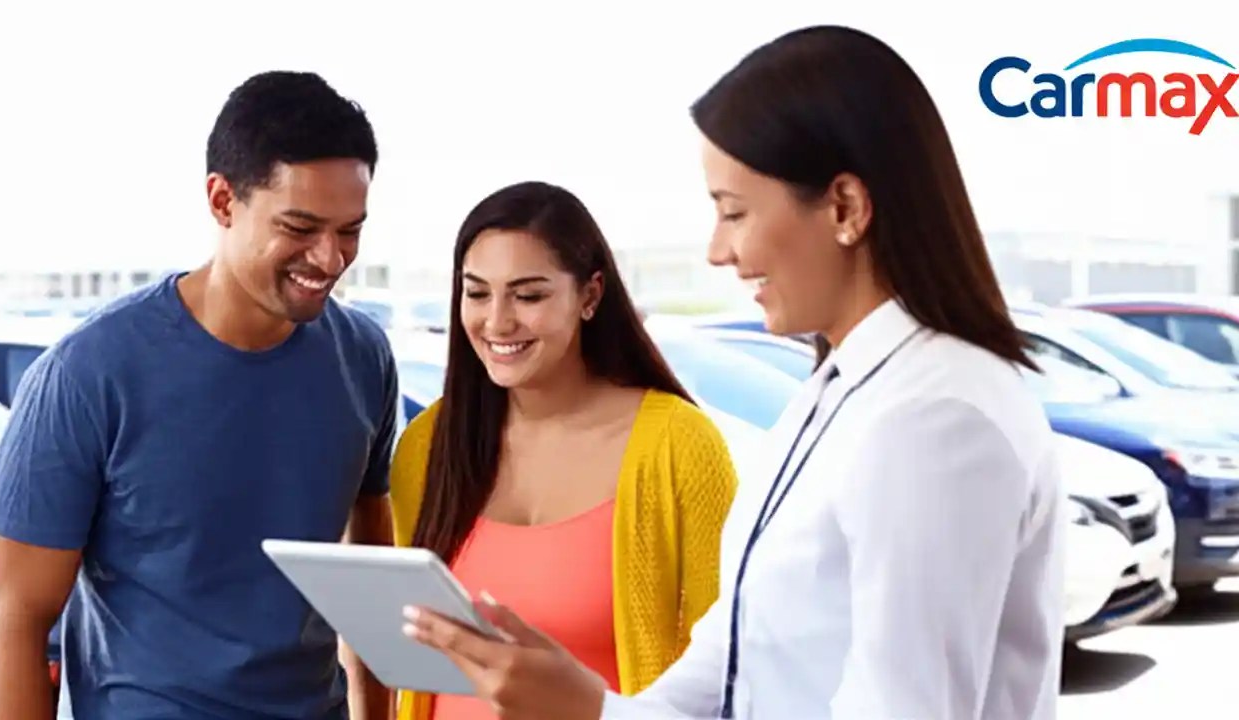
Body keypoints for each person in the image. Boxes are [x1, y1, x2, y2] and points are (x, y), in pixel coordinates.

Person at [401, 25, 1065, 720]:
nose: (719, 251)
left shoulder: (937, 420)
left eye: (734, 212)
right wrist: (587, 705)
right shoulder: (834, 397)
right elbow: (729, 668)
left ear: (845, 208)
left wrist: (589, 711)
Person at [0, 71, 396, 720]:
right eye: (301, 226)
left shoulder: (364, 358)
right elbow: (13, 623)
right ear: (222, 200)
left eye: (350, 230)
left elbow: (370, 584)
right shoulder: (91, 371)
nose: (330, 257)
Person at [387, 181, 738, 720]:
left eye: (528, 295)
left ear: (591, 296)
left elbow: (733, 671)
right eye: (477, 292)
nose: (497, 321)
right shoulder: (428, 446)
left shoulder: (678, 447)